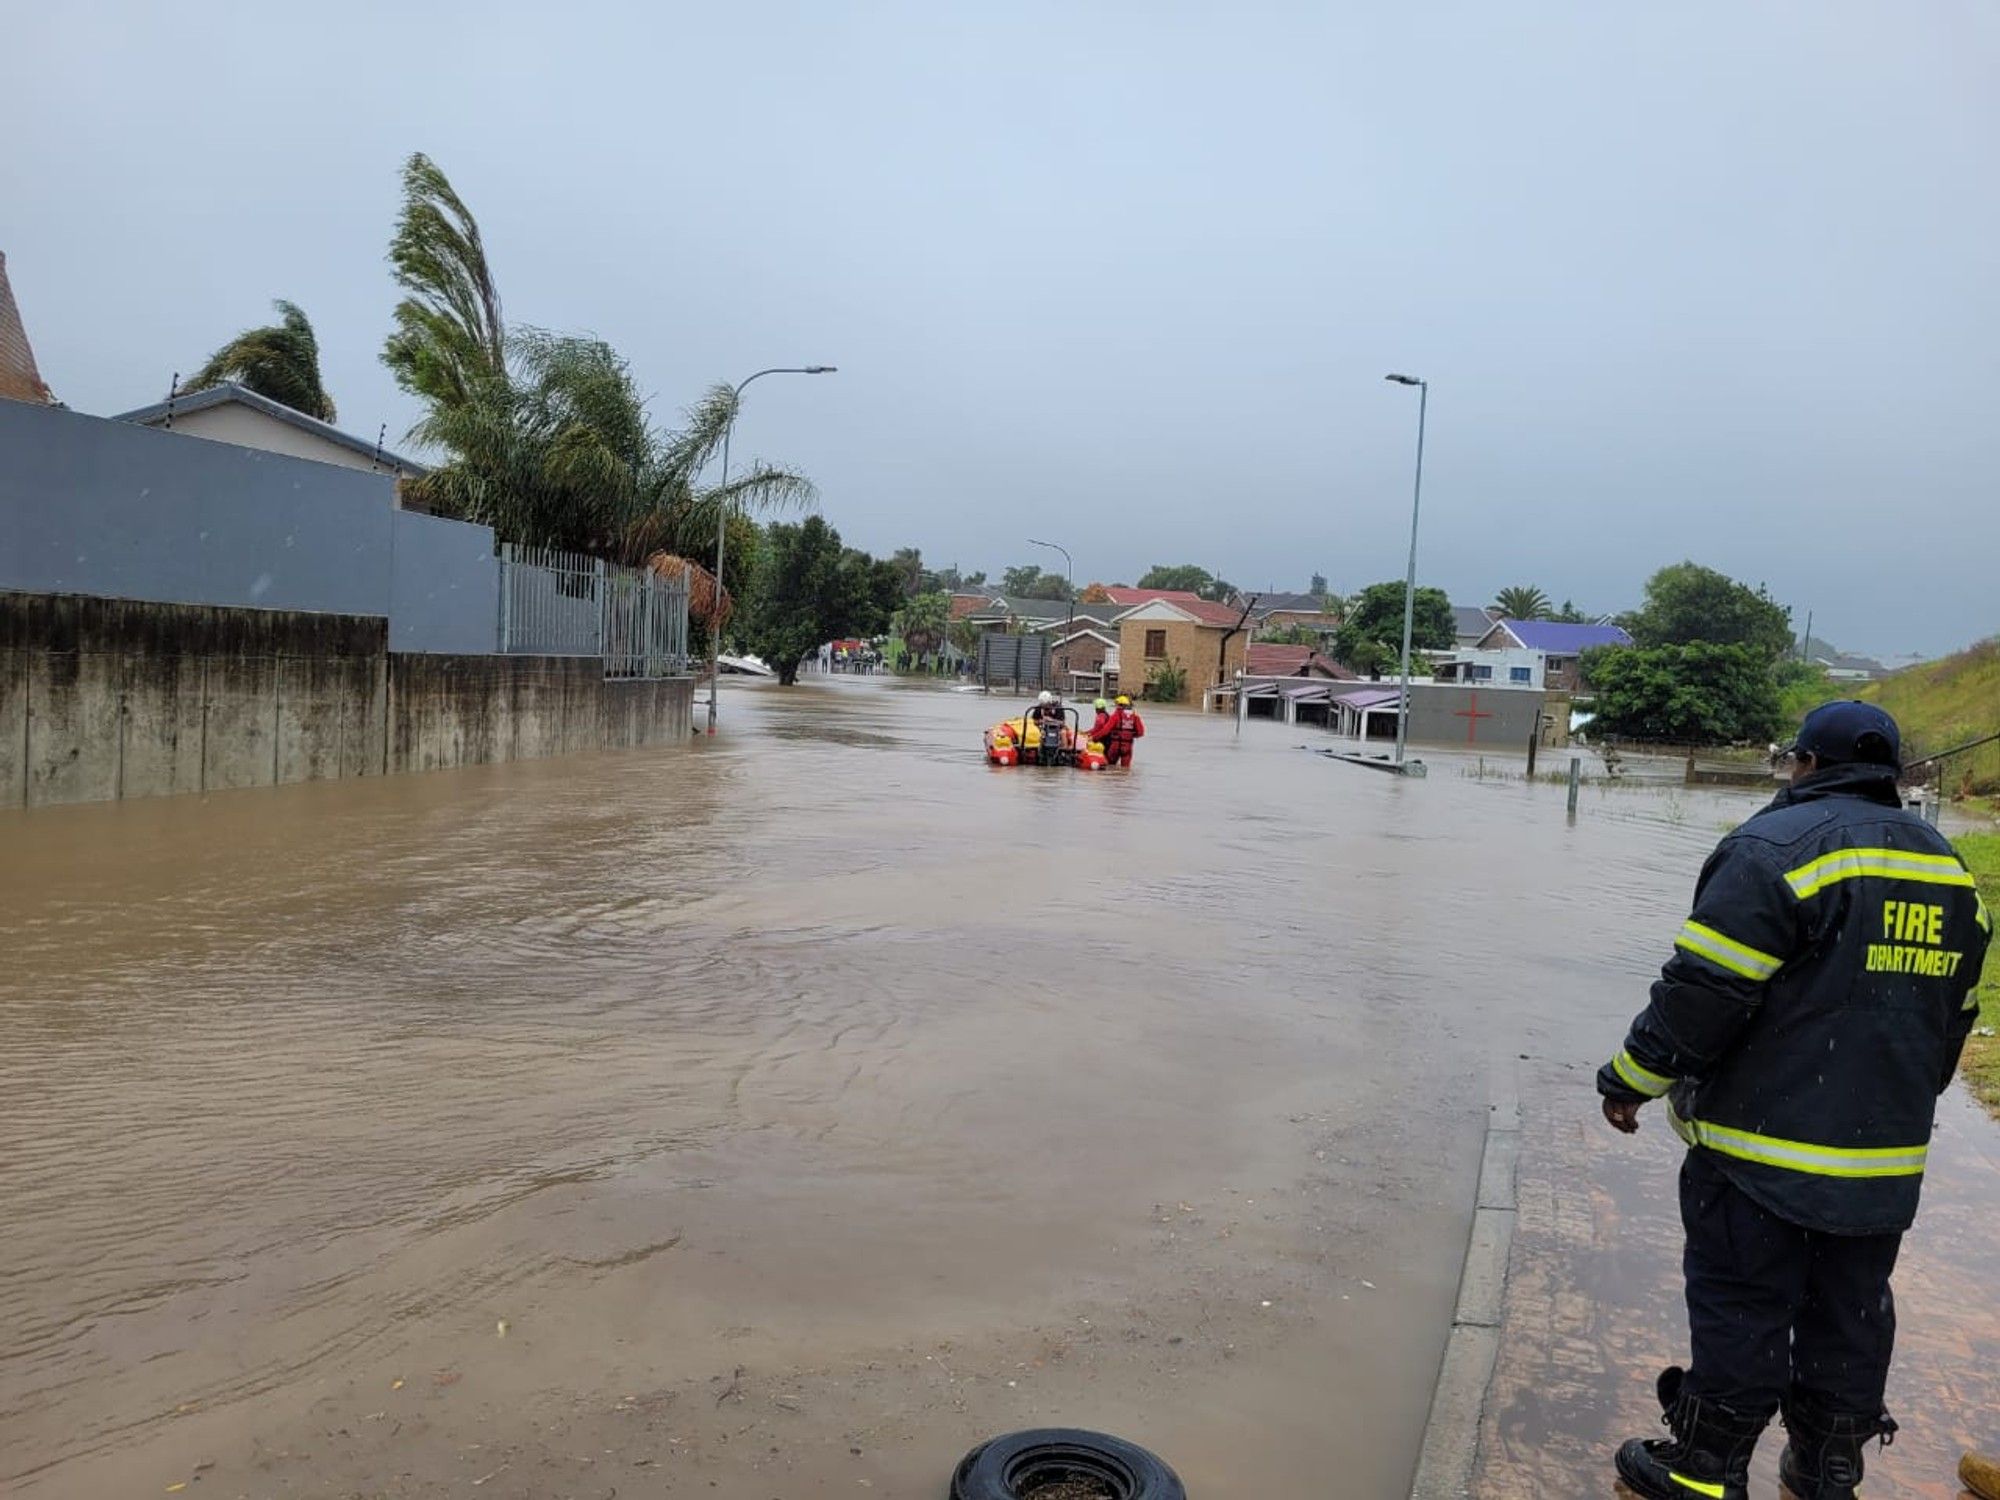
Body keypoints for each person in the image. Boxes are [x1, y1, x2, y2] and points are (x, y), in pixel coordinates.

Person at [1597, 702, 1988, 1500]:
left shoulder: (1774, 849)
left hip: (1757, 1152)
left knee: (1743, 1303)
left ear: (1806, 765)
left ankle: (1706, 1472)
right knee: (1849, 1315)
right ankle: (1826, 1470)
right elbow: (1956, 1022)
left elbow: (1704, 990)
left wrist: (1631, 1078)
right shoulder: (1949, 869)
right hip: (1883, 1161)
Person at [1098, 694, 1146, 767]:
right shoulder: (1135, 716)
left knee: (1109, 767)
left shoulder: (1115, 716)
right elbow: (1141, 733)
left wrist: (1094, 737)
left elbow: (1105, 731)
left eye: (1117, 704)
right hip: (1128, 747)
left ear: (1120, 705)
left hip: (1115, 746)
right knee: (1125, 770)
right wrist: (1129, 735)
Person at [1030, 690, 1067, 765]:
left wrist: (1051, 720)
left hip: (1057, 729)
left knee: (1063, 733)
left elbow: (1062, 722)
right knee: (1037, 734)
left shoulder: (1058, 708)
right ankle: (1037, 752)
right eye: (1043, 706)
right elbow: (1033, 721)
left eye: (1047, 706)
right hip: (1042, 729)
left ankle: (1064, 752)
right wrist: (1040, 721)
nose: (1045, 708)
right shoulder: (1038, 709)